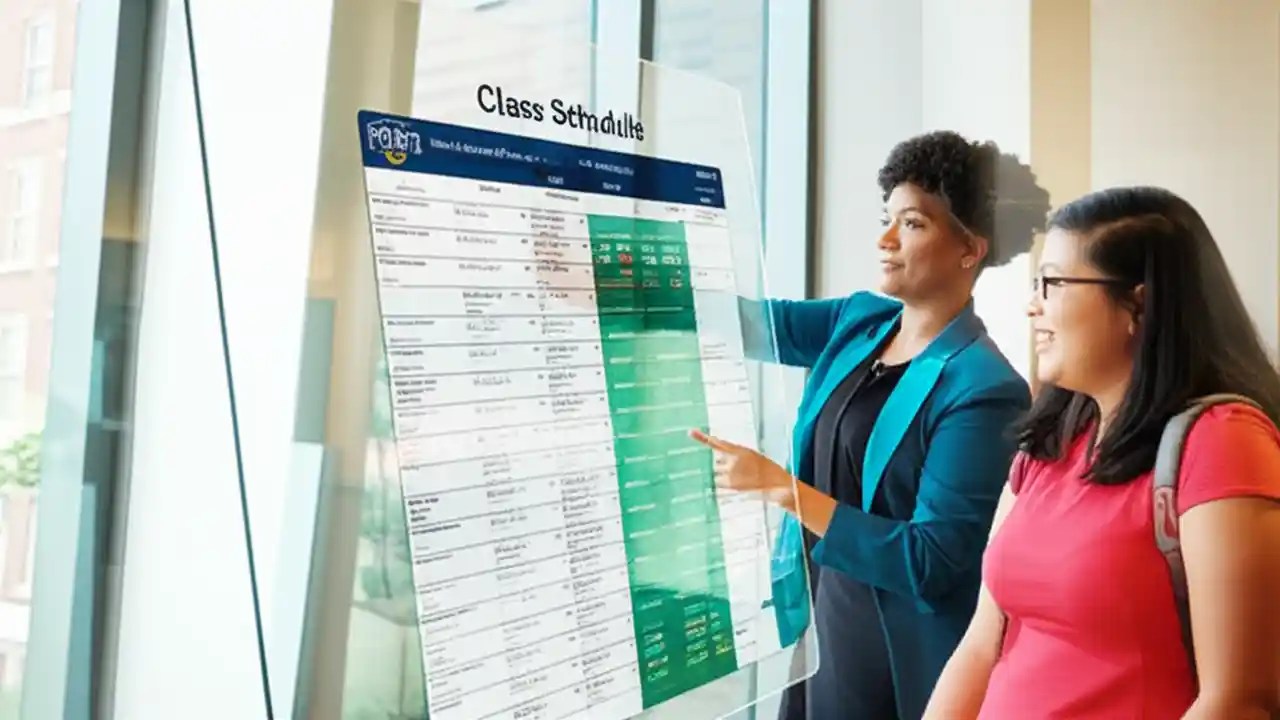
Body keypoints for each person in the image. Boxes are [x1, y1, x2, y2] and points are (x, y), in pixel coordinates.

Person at [689, 130, 1050, 719]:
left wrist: (782, 489)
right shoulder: (860, 322)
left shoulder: (984, 389)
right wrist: (620, 288)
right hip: (823, 617)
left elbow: (930, 560)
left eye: (912, 224)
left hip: (895, 650)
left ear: (969, 248)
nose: (885, 240)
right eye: (887, 219)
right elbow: (750, 324)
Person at [923, 186, 1280, 719]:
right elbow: (982, 644)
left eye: (1054, 284)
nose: (1032, 304)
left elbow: (1238, 699)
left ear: (1138, 301)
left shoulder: (1223, 440)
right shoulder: (1049, 447)